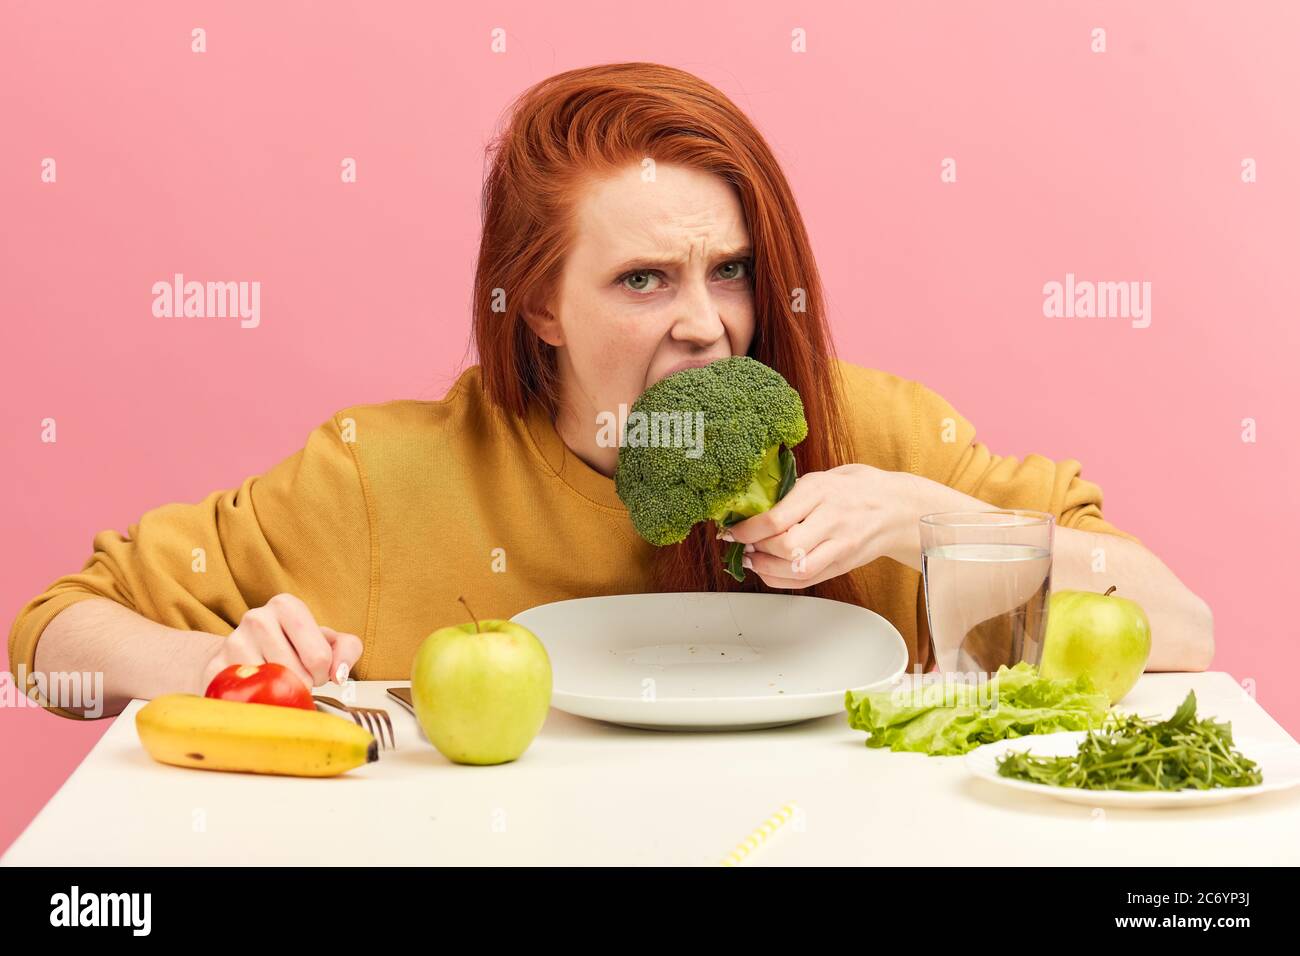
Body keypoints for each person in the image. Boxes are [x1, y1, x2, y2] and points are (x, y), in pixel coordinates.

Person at [8, 63, 1212, 720]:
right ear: (536, 304)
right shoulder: (382, 476)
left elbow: (1185, 627)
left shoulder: (870, 435)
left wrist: (933, 520)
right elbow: (50, 632)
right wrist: (225, 667)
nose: (705, 321)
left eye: (729, 268)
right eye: (643, 278)